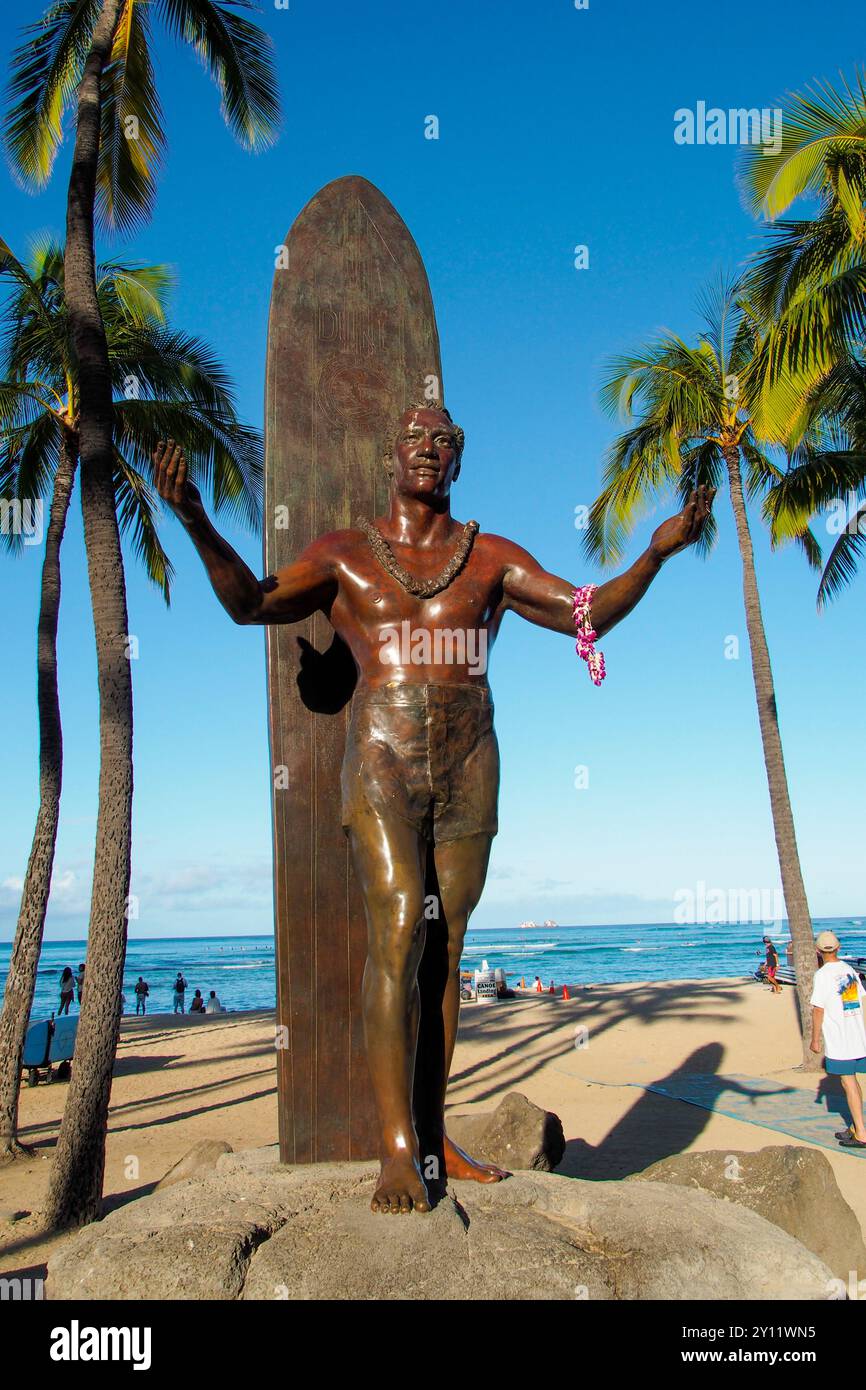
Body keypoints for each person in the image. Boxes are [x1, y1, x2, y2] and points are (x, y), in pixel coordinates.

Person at [153, 404, 712, 1214]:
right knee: (400, 934)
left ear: (459, 461)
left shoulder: (491, 557)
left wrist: (656, 555)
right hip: (380, 756)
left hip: (469, 761)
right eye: (414, 438)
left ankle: (432, 1132)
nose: (427, 449)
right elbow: (252, 603)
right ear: (391, 458)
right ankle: (394, 1150)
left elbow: (583, 613)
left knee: (447, 951)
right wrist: (196, 520)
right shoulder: (343, 555)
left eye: (443, 440)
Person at [809, 930, 866, 1148]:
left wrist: (815, 1039)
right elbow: (862, 998)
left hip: (840, 1038)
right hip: (856, 1033)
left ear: (818, 951)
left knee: (848, 1081)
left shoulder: (822, 975)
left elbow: (818, 1009)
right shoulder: (848, 970)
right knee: (852, 1080)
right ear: (838, 947)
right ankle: (855, 1125)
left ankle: (861, 1133)